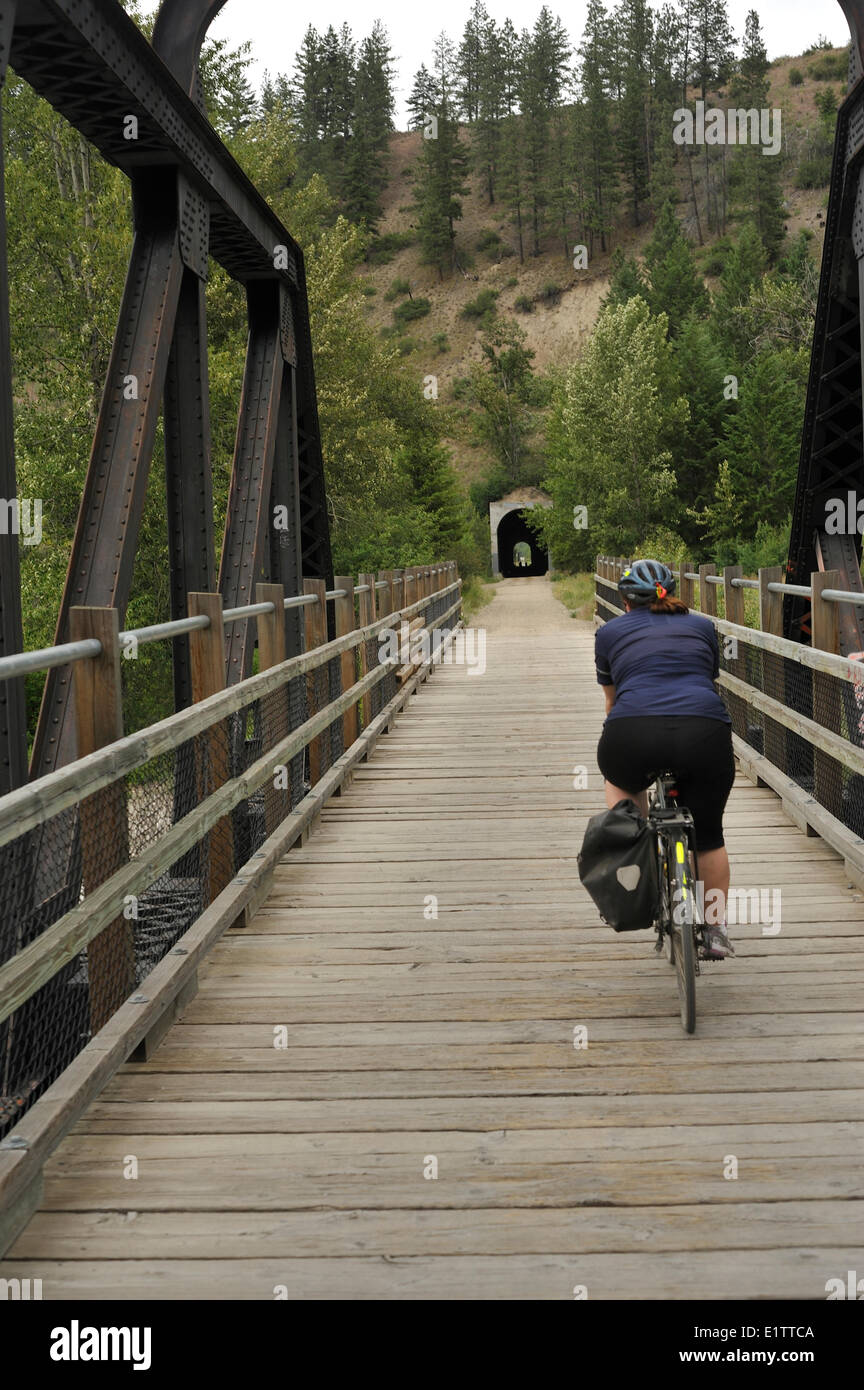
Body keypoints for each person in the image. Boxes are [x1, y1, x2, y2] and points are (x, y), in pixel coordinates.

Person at [594, 558, 736, 959]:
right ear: (672, 593)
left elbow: (611, 702)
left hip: (632, 732)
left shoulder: (609, 634)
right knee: (708, 837)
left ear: (624, 602)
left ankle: (637, 841)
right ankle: (714, 930)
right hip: (704, 732)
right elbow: (705, 681)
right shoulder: (703, 627)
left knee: (621, 779)